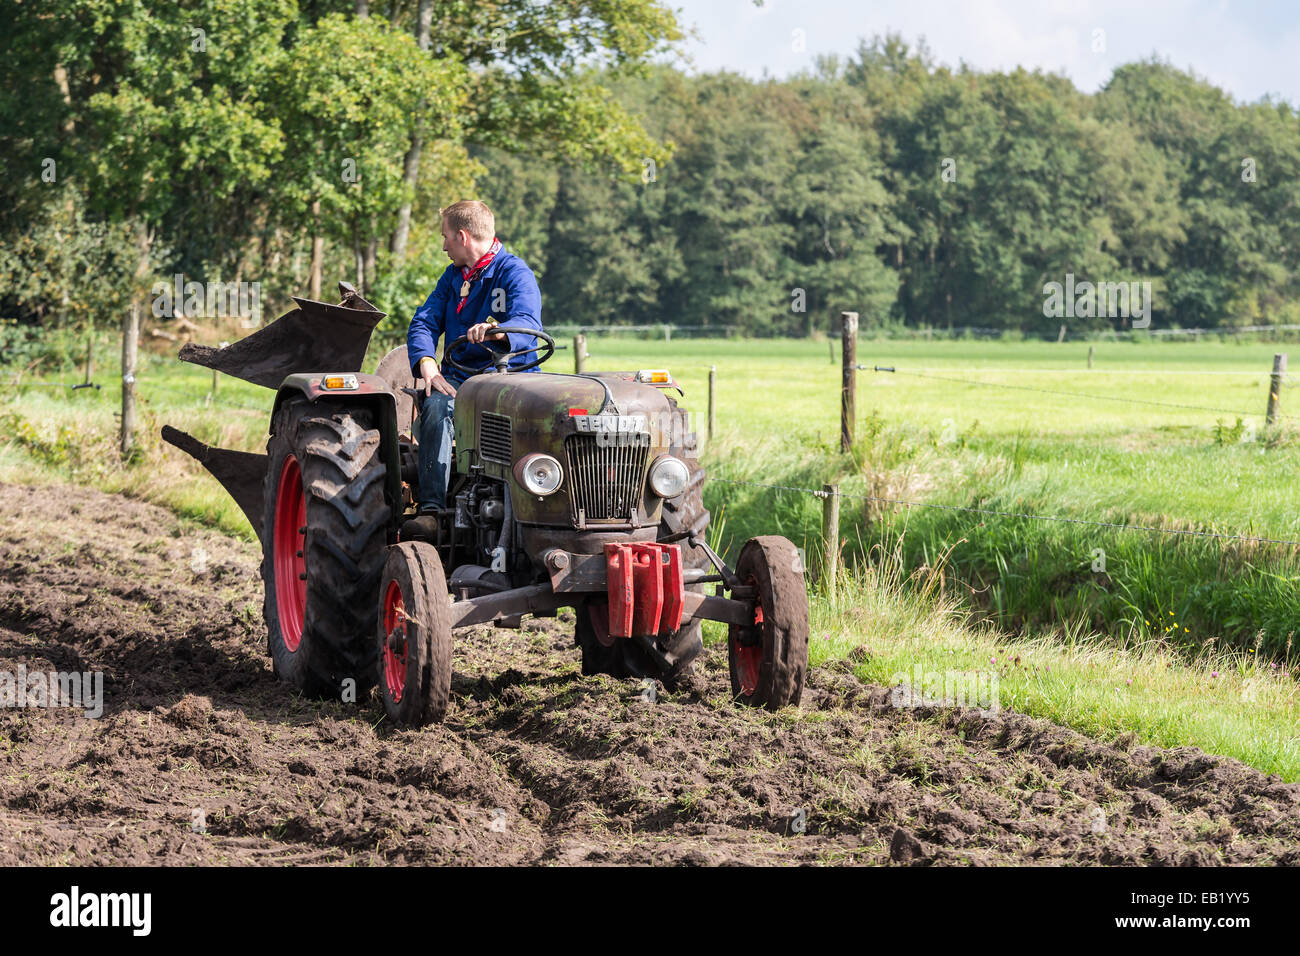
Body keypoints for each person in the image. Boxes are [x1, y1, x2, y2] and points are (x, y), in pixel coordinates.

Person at [404, 200, 543, 533]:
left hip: (511, 379)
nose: (443, 245)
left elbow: (526, 321)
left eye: (446, 237)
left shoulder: (513, 272)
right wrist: (427, 364)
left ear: (463, 237)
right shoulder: (453, 277)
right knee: (437, 405)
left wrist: (496, 329)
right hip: (460, 381)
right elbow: (423, 321)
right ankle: (433, 511)